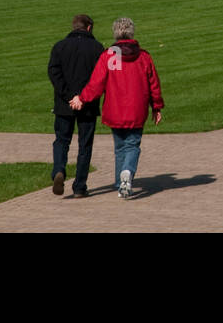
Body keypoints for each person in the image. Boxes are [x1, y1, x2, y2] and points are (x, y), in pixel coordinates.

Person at [70, 17, 163, 200]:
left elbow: (96, 83)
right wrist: (156, 106)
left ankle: (120, 182)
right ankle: (126, 173)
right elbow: (154, 84)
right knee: (133, 145)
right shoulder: (143, 56)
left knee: (120, 146)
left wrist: (82, 98)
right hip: (137, 108)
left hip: (115, 107)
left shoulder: (109, 55)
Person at [47, 14, 104, 198]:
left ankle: (59, 169)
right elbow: (99, 77)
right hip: (88, 105)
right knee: (84, 145)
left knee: (62, 140)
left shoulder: (60, 46)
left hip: (65, 104)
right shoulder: (97, 48)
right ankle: (80, 186)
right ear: (89, 28)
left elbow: (54, 73)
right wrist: (82, 97)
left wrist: (69, 96)